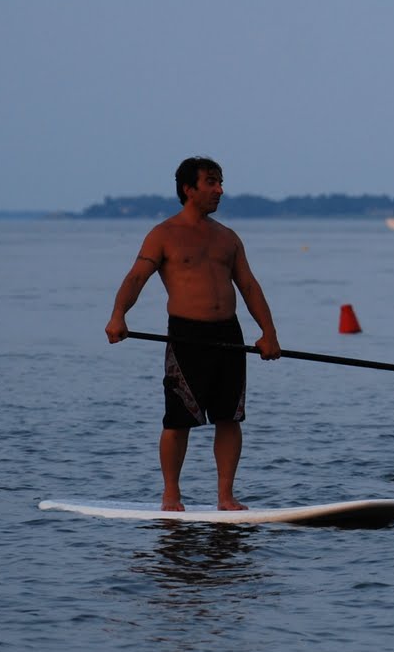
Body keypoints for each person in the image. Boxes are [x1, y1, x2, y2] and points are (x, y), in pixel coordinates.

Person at [105, 157, 281, 511]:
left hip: (229, 334)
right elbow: (136, 277)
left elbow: (248, 285)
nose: (219, 190)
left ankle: (226, 496)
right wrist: (118, 315)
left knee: (229, 417)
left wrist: (269, 333)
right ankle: (171, 494)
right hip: (187, 336)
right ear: (189, 189)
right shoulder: (164, 234)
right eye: (211, 182)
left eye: (220, 182)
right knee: (178, 418)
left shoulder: (228, 237)